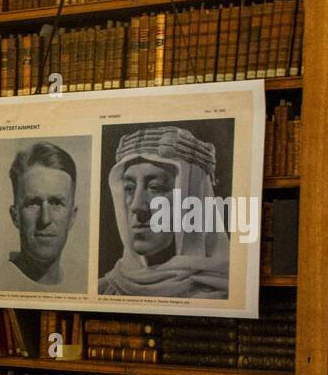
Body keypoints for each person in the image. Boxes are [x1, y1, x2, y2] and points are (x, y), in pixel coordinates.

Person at [97, 126, 229, 298]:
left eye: (155, 187)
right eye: (129, 188)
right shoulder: (104, 290)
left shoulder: (226, 294)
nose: (136, 206)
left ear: (192, 197)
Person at [0, 141, 82, 292]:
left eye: (56, 203)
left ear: (72, 216)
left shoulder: (81, 285)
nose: (45, 219)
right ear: (15, 216)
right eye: (33, 203)